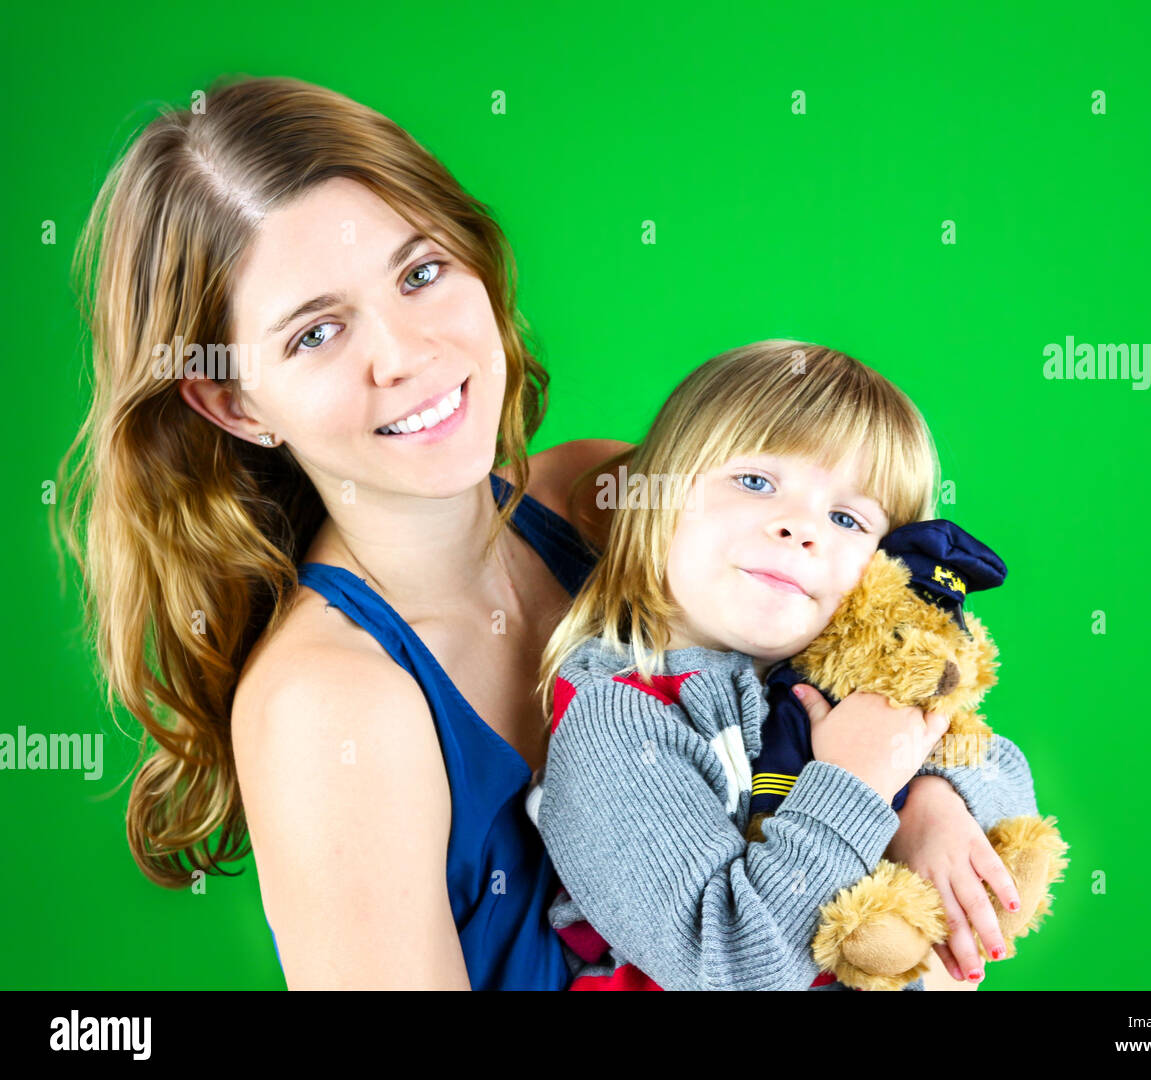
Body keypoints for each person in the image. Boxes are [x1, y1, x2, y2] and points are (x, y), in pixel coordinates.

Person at [55, 73, 632, 989]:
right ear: (237, 404)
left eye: (420, 273)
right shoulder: (328, 712)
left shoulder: (608, 501)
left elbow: (891, 629)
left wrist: (924, 808)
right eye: (316, 334)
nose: (405, 355)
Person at [533, 341, 1039, 990]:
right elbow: (730, 967)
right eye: (755, 481)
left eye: (846, 518)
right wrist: (856, 782)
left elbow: (992, 764)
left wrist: (932, 807)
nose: (801, 529)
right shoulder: (620, 718)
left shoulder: (843, 672)